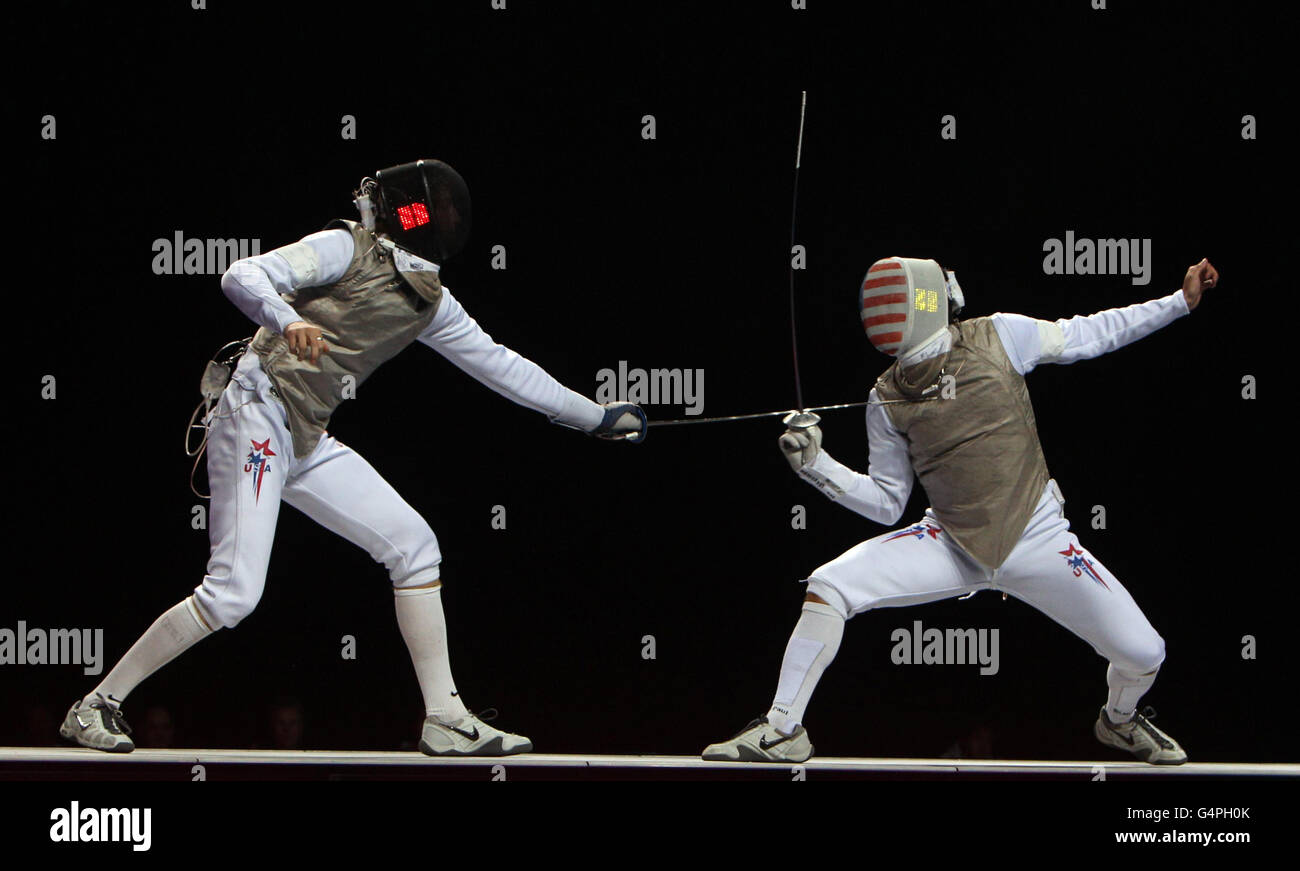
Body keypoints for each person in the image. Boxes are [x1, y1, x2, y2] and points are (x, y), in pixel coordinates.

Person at [60, 159, 645, 756]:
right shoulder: (345, 246)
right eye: (424, 207)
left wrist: (594, 417)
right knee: (233, 594)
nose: (427, 217)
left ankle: (444, 718)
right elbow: (241, 275)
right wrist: (287, 320)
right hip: (256, 411)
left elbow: (503, 367)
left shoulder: (430, 302)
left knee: (414, 546)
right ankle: (95, 706)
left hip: (304, 434)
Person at [703, 256, 1218, 765]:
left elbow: (1091, 333)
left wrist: (1178, 303)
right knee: (829, 585)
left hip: (1039, 539)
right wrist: (816, 465)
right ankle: (782, 728)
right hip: (950, 543)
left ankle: (1120, 721)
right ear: (936, 297)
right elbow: (887, 503)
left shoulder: (999, 337)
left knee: (1145, 653)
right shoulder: (885, 396)